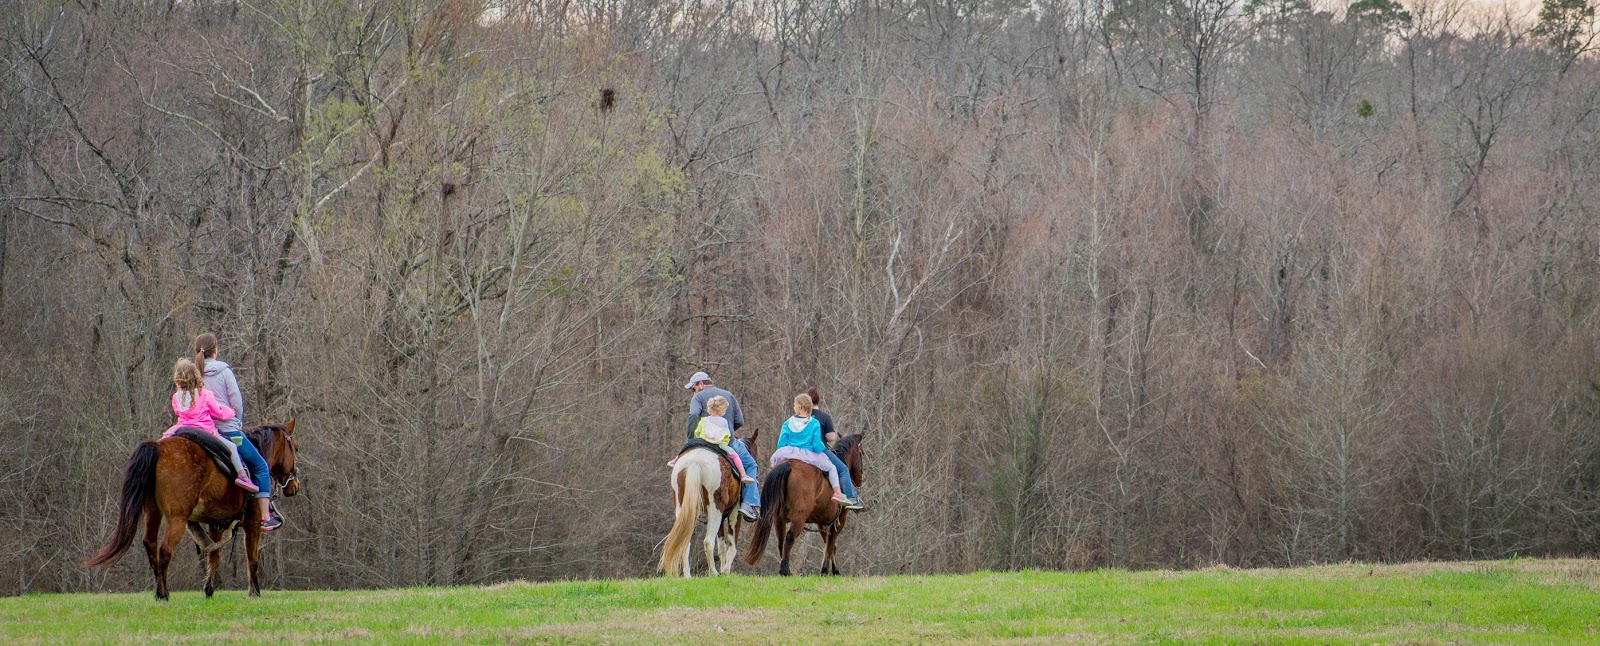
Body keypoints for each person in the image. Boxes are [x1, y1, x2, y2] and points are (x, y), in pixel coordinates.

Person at [195, 333, 281, 531]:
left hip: (200, 430)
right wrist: (235, 421)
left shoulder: (194, 373)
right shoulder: (224, 372)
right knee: (260, 466)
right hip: (227, 431)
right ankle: (265, 518)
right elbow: (237, 404)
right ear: (215, 350)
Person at [164, 358, 257, 493]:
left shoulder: (175, 397)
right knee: (231, 448)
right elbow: (218, 412)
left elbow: (178, 412)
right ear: (195, 375)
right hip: (205, 431)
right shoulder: (205, 394)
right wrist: (231, 412)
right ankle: (242, 475)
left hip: (183, 429)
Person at [683, 371, 761, 521]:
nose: (693, 392)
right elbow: (740, 420)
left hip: (702, 442)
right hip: (728, 443)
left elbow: (693, 416)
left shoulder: (698, 397)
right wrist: (726, 432)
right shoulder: (729, 395)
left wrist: (691, 438)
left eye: (693, 388)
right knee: (751, 464)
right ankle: (748, 505)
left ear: (700, 384)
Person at [770, 393, 851, 506]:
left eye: (794, 405)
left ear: (799, 407)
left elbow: (781, 444)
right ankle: (837, 493)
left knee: (775, 468)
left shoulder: (787, 423)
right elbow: (817, 445)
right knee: (832, 468)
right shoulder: (814, 423)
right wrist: (823, 450)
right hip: (808, 453)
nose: (794, 407)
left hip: (788, 452)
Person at [806, 387, 865, 511]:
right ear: (818, 400)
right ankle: (852, 498)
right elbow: (831, 437)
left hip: (799, 451)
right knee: (843, 469)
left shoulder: (800, 416)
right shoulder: (824, 417)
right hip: (818, 451)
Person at [685, 396, 756, 484]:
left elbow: (698, 432)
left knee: (687, 448)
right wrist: (724, 443)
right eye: (725, 409)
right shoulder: (724, 422)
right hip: (719, 445)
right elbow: (727, 435)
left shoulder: (704, 420)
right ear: (721, 410)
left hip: (703, 444)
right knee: (735, 456)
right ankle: (743, 475)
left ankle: (676, 460)